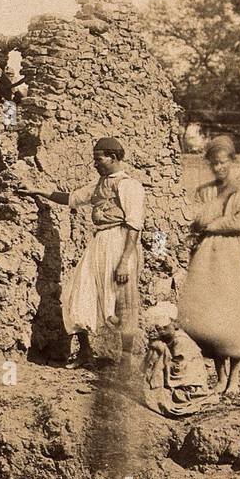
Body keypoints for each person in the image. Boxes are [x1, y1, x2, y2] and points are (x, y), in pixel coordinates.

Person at [18, 136, 145, 367]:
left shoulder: (129, 185)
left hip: (120, 243)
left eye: (98, 159)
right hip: (99, 243)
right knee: (78, 293)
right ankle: (85, 353)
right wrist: (37, 190)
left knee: (122, 302)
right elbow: (71, 199)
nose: (94, 164)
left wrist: (125, 261)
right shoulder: (98, 185)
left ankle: (126, 362)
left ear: (113, 158)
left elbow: (134, 225)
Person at [176, 134, 240, 394]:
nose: (219, 168)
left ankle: (234, 378)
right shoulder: (206, 191)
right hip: (207, 260)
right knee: (211, 318)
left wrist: (214, 224)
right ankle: (219, 376)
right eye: (214, 163)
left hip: (234, 258)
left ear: (232, 162)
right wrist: (220, 205)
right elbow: (195, 218)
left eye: (224, 162)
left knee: (233, 319)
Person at [141, 302, 217, 418]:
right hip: (176, 376)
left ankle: (152, 384)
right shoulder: (168, 338)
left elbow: (180, 368)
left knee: (158, 350)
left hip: (189, 384)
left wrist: (162, 353)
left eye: (165, 328)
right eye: (159, 329)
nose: (161, 332)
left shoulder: (180, 340)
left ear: (174, 325)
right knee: (155, 349)